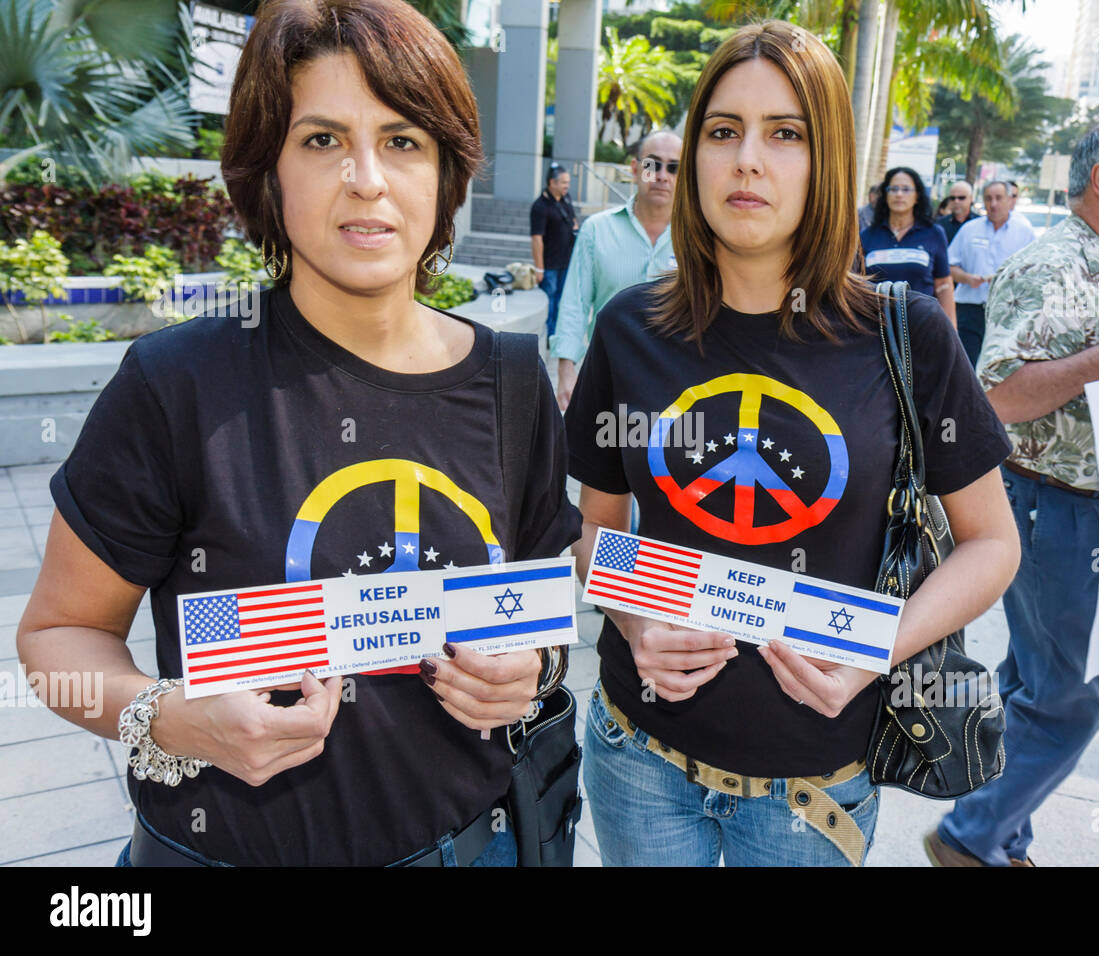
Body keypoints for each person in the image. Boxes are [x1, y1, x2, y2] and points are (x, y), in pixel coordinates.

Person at [15, 0, 582, 868]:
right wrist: (171, 718)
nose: (367, 178)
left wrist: (530, 670)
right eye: (322, 140)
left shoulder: (512, 380)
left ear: (445, 174)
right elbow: (56, 641)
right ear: (268, 172)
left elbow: (544, 604)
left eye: (403, 141)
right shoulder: (177, 384)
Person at [564, 19, 1020, 868]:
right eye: (723, 131)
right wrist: (628, 616)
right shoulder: (629, 327)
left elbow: (992, 544)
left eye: (785, 134)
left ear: (829, 161)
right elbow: (596, 527)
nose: (747, 161)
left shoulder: (905, 331)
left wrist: (872, 652)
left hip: (812, 792)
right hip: (638, 762)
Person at [927, 112, 1099, 868]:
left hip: (1097, 509)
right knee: (1077, 698)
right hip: (1055, 511)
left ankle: (1003, 835)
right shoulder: (1053, 268)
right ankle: (970, 836)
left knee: (1031, 684)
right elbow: (1000, 395)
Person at [552, 129, 681, 410]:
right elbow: (575, 302)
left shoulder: (698, 241)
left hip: (676, 388)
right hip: (604, 379)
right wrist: (565, 369)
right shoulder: (596, 230)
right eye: (652, 164)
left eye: (674, 168)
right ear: (635, 169)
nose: (662, 176)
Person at [948, 180, 1036, 367]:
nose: (993, 204)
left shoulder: (1024, 232)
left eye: (998, 198)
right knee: (966, 366)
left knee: (1000, 368)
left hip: (1006, 311)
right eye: (988, 199)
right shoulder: (969, 230)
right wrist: (967, 278)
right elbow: (950, 266)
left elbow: (1034, 272)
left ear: (1009, 200)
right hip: (970, 309)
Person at [860, 166, 956, 323]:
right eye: (894, 189)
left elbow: (944, 284)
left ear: (917, 196)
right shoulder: (867, 236)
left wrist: (951, 329)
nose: (899, 194)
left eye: (906, 189)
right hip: (875, 328)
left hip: (922, 325)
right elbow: (857, 284)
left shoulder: (933, 233)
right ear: (885, 194)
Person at [531, 162, 579, 344]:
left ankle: (557, 334)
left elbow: (573, 219)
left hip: (566, 261)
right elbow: (536, 239)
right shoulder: (540, 207)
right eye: (564, 183)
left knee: (562, 301)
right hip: (549, 265)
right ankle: (548, 338)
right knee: (549, 303)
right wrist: (539, 268)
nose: (567, 186)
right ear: (552, 182)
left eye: (568, 182)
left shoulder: (566, 199)